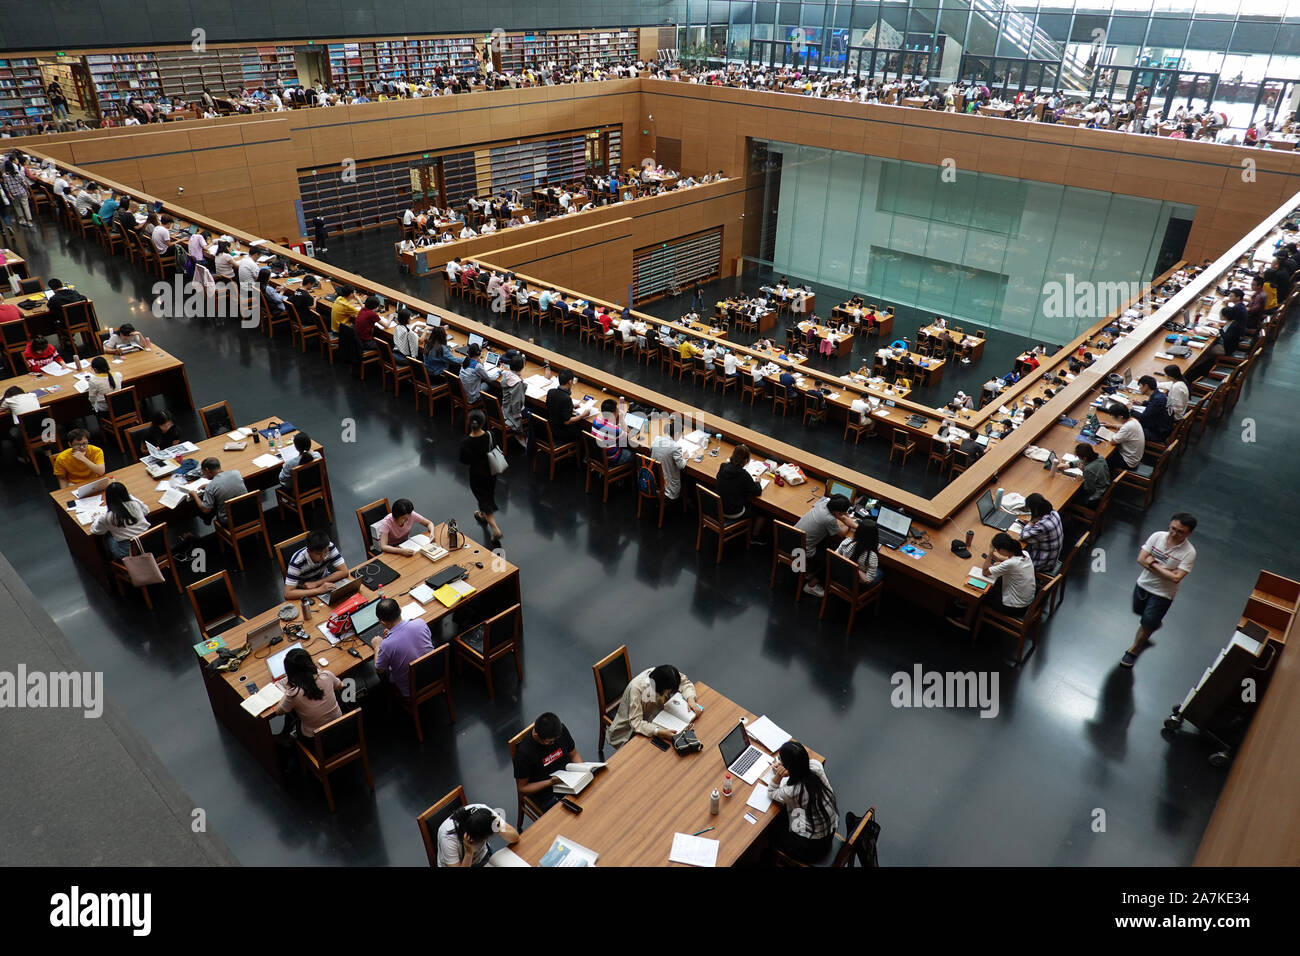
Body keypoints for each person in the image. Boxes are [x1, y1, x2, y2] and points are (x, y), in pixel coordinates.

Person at [1122, 513, 1197, 668]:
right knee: (1138, 611)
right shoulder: (1157, 536)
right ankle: (1153, 623)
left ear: (1189, 533)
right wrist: (1167, 572)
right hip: (1143, 584)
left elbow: (1177, 578)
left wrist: (1153, 564)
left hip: (1163, 594)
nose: (1174, 533)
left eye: (1180, 531)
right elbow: (1141, 559)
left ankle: (1133, 650)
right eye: (1173, 528)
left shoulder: (1189, 552)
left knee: (1147, 622)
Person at [767, 740, 837, 864]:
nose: (779, 762)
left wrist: (777, 776)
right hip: (829, 832)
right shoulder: (816, 766)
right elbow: (801, 771)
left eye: (780, 760)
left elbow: (772, 792)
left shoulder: (793, 791)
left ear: (788, 766)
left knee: (770, 832)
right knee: (786, 813)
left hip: (812, 847)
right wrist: (789, 772)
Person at [606, 663, 702, 749]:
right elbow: (636, 723)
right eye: (668, 691)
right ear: (659, 687)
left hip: (658, 716)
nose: (669, 693)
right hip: (630, 730)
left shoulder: (663, 676)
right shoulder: (636, 690)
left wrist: (690, 699)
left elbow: (684, 682)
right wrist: (658, 732)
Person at [512, 712, 583, 812]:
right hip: (547, 794)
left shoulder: (560, 731)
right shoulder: (524, 753)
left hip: (569, 780)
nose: (553, 743)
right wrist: (550, 782)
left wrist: (581, 772)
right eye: (550, 742)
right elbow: (522, 788)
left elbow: (574, 755)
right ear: (536, 735)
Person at [796, 493, 858, 598]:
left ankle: (809, 572)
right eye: (843, 512)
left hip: (794, 539)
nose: (844, 514)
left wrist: (844, 516)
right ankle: (811, 586)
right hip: (803, 550)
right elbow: (842, 533)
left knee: (825, 544)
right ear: (837, 512)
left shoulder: (824, 503)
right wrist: (850, 524)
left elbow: (839, 515)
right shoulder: (829, 520)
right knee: (832, 561)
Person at [371, 597, 434, 698]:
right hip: (434, 676)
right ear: (400, 610)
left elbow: (379, 669)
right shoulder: (420, 623)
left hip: (411, 691)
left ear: (382, 623)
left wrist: (377, 646)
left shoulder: (386, 645)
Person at [275, 648, 342, 737]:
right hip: (341, 725)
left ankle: (285, 738)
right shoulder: (327, 675)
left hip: (315, 738)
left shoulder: (293, 693)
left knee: (292, 714)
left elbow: (278, 712)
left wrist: (287, 690)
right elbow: (340, 686)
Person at [460, 409, 504, 542]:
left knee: (482, 498)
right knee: (487, 494)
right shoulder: (490, 435)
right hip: (491, 471)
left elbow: (464, 460)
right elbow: (497, 448)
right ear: (483, 422)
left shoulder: (466, 442)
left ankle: (494, 527)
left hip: (477, 474)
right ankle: (483, 513)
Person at [436, 804, 519, 867]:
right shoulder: (448, 838)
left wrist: (498, 829)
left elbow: (515, 837)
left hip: (483, 855)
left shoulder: (485, 813)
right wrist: (469, 853)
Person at [89, 481, 151, 559]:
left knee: (107, 535)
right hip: (149, 541)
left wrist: (97, 518)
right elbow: (146, 511)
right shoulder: (135, 504)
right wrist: (130, 497)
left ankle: (108, 561)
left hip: (127, 552)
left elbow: (95, 531)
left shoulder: (107, 517)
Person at [980, 532, 1036, 617]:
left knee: (983, 595)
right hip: (1028, 600)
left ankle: (967, 618)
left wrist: (990, 552)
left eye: (997, 550)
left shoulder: (1010, 564)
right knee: (997, 582)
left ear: (1002, 550)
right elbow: (1010, 564)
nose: (997, 551)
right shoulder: (1025, 553)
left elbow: (985, 572)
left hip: (1015, 607)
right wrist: (1001, 564)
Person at [283, 530, 349, 600]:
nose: (323, 557)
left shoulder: (329, 546)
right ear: (308, 551)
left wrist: (316, 583)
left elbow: (344, 571)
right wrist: (319, 590)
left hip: (324, 582)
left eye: (326, 552)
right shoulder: (297, 561)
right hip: (305, 591)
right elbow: (288, 594)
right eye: (318, 554)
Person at [191, 456, 249, 526]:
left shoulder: (211, 486)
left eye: (204, 473)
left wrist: (194, 495)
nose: (204, 476)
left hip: (231, 522)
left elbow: (205, 510)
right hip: (248, 514)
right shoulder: (236, 473)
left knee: (207, 507)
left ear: (207, 470)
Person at [1019, 493, 1063, 573]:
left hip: (1042, 564)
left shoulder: (1043, 525)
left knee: (1011, 558)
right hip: (1051, 558)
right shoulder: (1054, 513)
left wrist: (1031, 522)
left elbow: (1022, 536)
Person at [650, 415, 687, 502]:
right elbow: (681, 466)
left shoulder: (657, 439)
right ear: (677, 434)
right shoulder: (676, 447)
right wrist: (684, 458)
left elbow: (651, 448)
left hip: (653, 482)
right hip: (668, 488)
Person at [546, 369, 587, 445]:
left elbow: (556, 406)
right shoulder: (566, 399)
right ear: (570, 382)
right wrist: (582, 415)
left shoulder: (551, 392)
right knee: (583, 431)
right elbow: (567, 422)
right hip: (561, 432)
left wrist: (571, 406)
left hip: (551, 426)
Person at [834, 518, 880, 584]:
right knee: (880, 573)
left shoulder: (846, 542)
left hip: (839, 575)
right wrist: (855, 568)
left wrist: (847, 563)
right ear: (875, 536)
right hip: (854, 584)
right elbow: (868, 580)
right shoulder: (872, 556)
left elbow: (835, 556)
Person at [591, 399, 632, 467]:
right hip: (610, 459)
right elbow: (627, 433)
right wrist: (621, 419)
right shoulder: (616, 430)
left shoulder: (595, 421)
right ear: (614, 413)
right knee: (630, 454)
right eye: (617, 409)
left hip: (596, 455)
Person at [1133, 374, 1173, 442]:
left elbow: (1143, 417)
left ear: (1146, 386)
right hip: (1163, 428)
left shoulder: (1157, 400)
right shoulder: (1160, 395)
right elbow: (1153, 405)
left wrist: (1130, 410)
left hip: (1158, 434)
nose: (1139, 388)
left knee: (1130, 429)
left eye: (1140, 386)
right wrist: (1142, 404)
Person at [499, 352, 527, 445]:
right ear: (522, 367)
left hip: (505, 407)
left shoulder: (506, 374)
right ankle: (520, 434)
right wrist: (517, 422)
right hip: (511, 412)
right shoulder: (517, 383)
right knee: (534, 413)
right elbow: (516, 404)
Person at [1108, 403, 1145, 469]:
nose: (1113, 419)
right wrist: (1110, 425)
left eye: (1114, 417)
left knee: (1104, 457)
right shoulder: (1133, 420)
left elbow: (1112, 442)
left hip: (1128, 462)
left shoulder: (1127, 427)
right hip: (1135, 457)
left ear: (1120, 417)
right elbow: (1123, 426)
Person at [1075, 442, 1110, 506]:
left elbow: (1089, 489)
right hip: (1105, 485)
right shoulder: (1099, 457)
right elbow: (1082, 461)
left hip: (1096, 495)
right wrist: (1069, 464)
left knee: (1073, 497)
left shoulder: (1088, 470)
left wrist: (1084, 471)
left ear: (1085, 458)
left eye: (1079, 457)